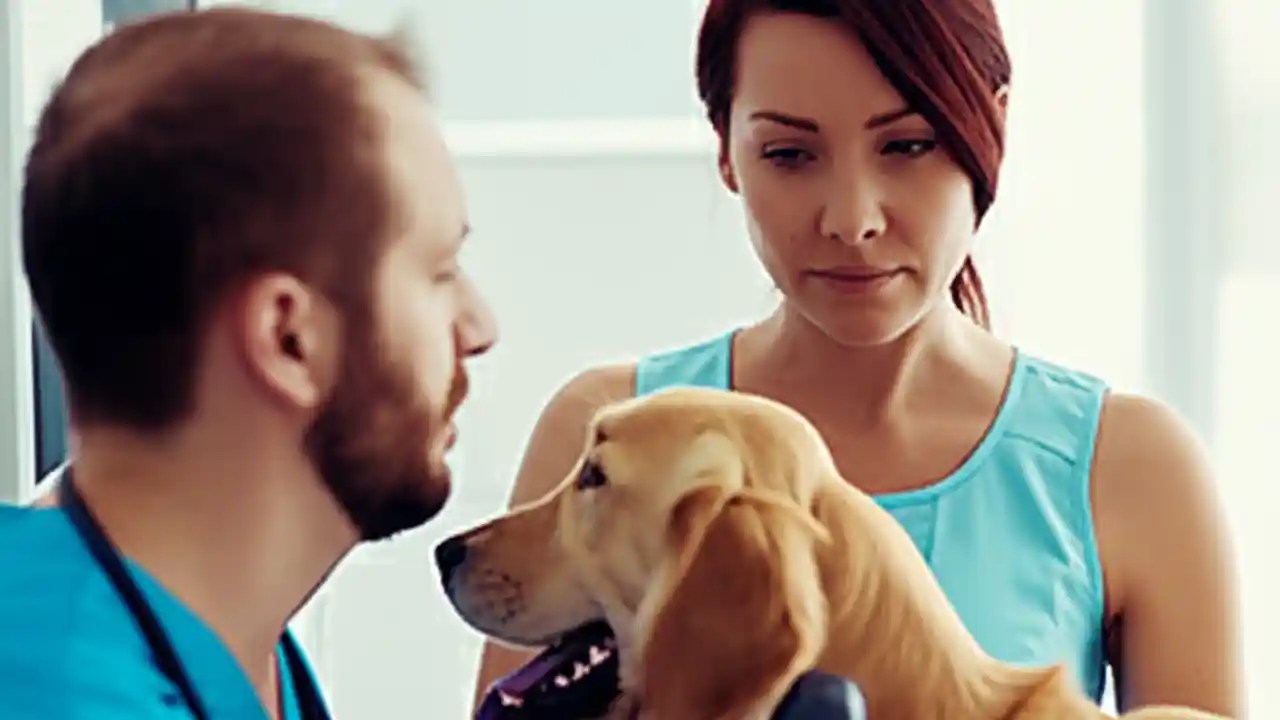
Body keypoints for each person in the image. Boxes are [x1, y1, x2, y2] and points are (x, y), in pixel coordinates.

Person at [472, 0, 1242, 716]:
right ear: (727, 152)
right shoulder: (603, 436)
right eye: (789, 153)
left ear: (991, 132)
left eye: (907, 145)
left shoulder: (1130, 466)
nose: (852, 219)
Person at [0, 8, 495, 720]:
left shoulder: (230, 645)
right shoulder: (58, 695)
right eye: (440, 272)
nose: (481, 328)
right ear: (289, 337)